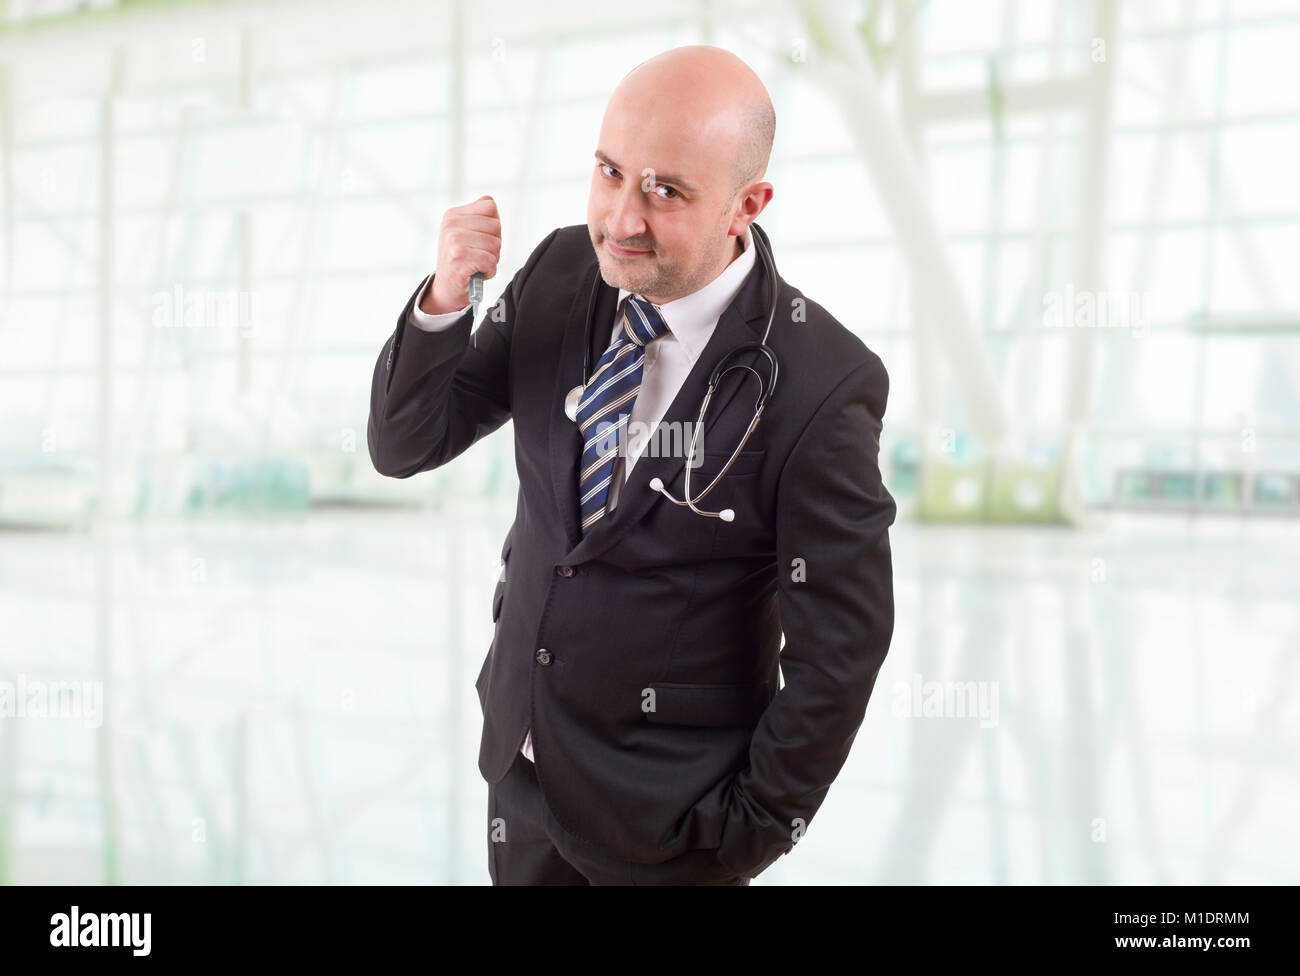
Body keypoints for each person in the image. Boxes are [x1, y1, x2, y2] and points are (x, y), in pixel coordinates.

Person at [368, 45, 897, 884]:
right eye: (611, 172)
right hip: (524, 779)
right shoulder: (558, 274)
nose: (620, 219)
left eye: (666, 191)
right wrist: (443, 299)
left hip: (674, 827)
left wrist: (746, 834)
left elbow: (842, 648)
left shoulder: (821, 380)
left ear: (746, 205)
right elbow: (406, 443)